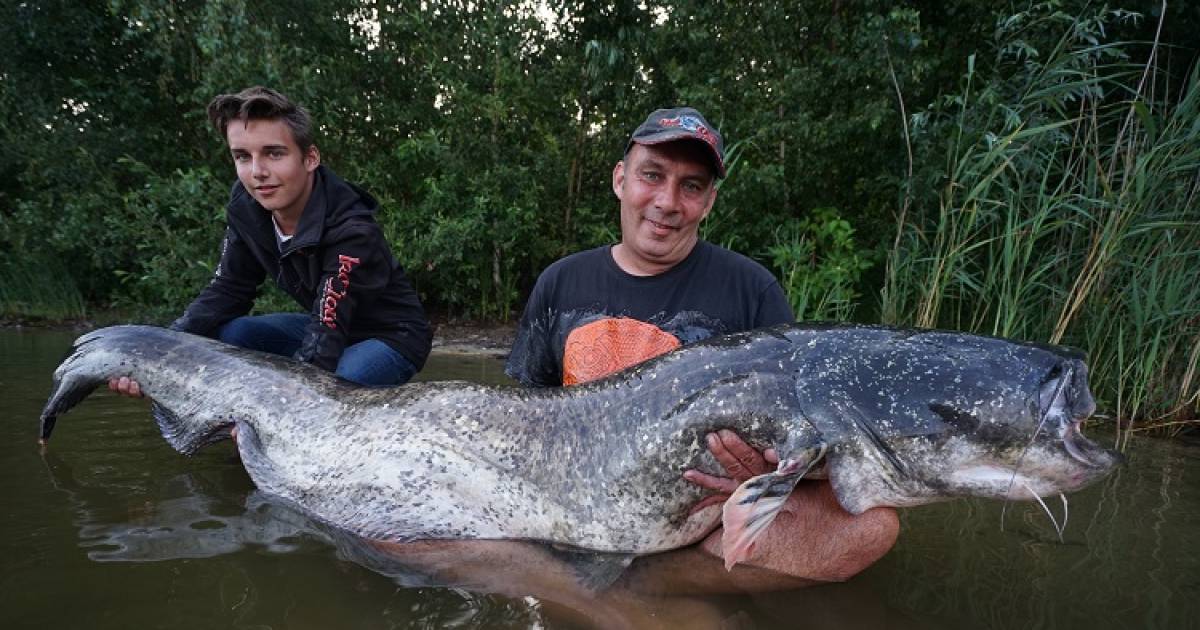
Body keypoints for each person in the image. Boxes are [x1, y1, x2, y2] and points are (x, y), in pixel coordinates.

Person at [506, 106, 898, 589]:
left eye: (691, 186)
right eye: (652, 175)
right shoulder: (561, 281)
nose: (667, 202)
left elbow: (802, 430)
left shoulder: (752, 289)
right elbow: (526, 418)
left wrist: (765, 475)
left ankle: (648, 584)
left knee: (871, 528)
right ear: (620, 180)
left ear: (708, 202)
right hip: (576, 499)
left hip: (704, 514)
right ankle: (659, 598)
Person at [110, 86, 431, 398]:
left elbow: (325, 333)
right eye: (242, 157)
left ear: (310, 158)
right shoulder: (247, 206)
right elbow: (229, 289)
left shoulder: (352, 230)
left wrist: (274, 409)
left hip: (390, 337)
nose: (257, 172)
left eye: (273, 153)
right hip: (324, 324)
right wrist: (159, 352)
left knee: (328, 397)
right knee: (232, 336)